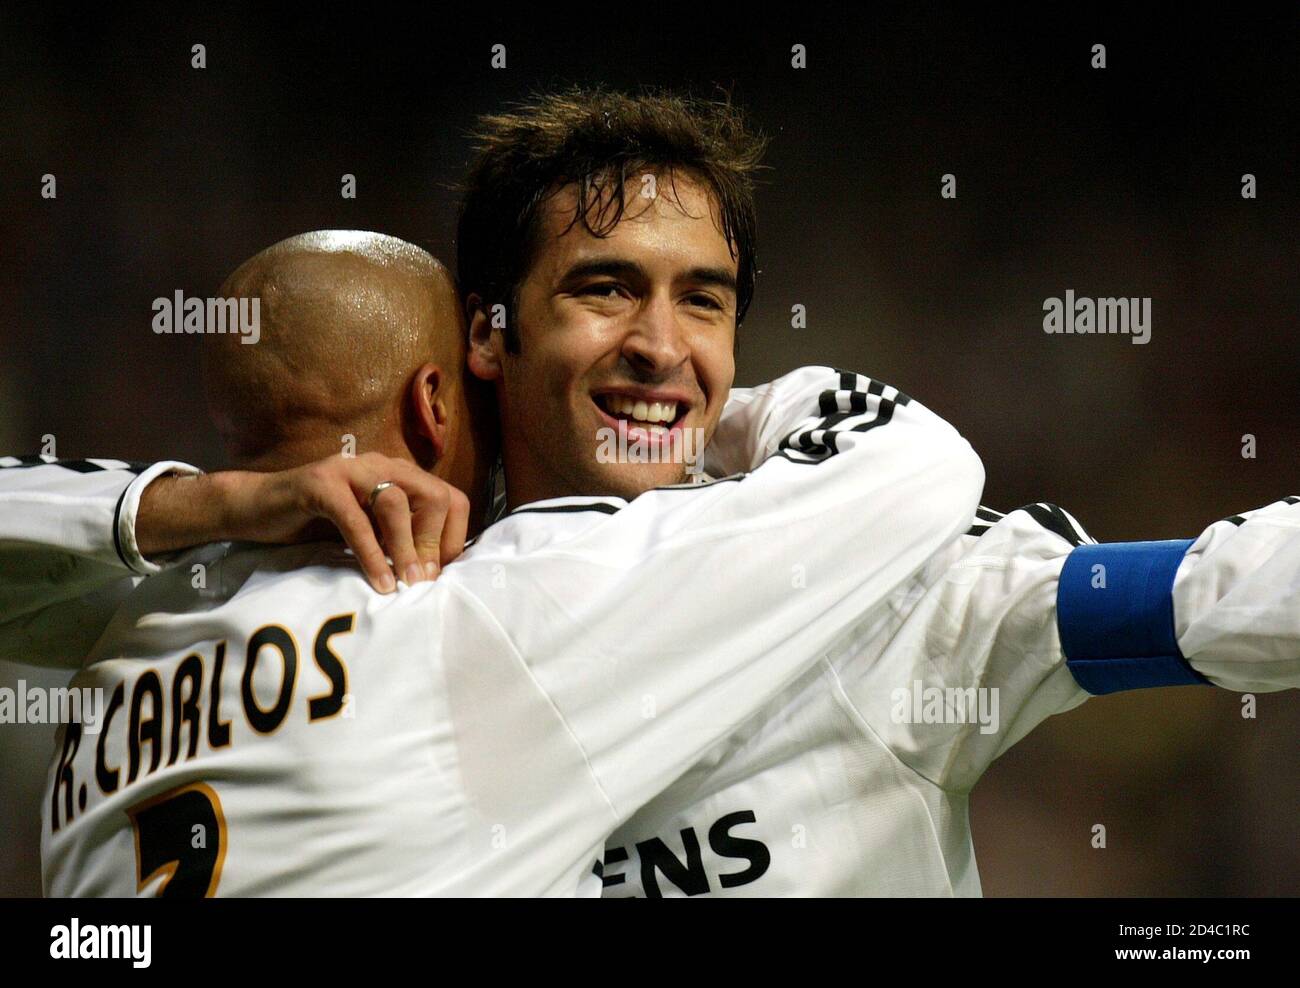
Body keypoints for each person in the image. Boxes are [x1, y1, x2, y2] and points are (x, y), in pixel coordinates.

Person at [5, 87, 1298, 897]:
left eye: (707, 304)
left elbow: (1200, 600)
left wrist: (174, 511)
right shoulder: (441, 602)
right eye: (605, 289)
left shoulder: (849, 586)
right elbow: (901, 463)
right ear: (480, 342)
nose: (661, 342)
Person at [2, 227, 984, 897]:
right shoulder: (486, 607)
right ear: (435, 407)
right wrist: (686, 405)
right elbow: (910, 468)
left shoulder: (112, 629)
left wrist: (201, 501)